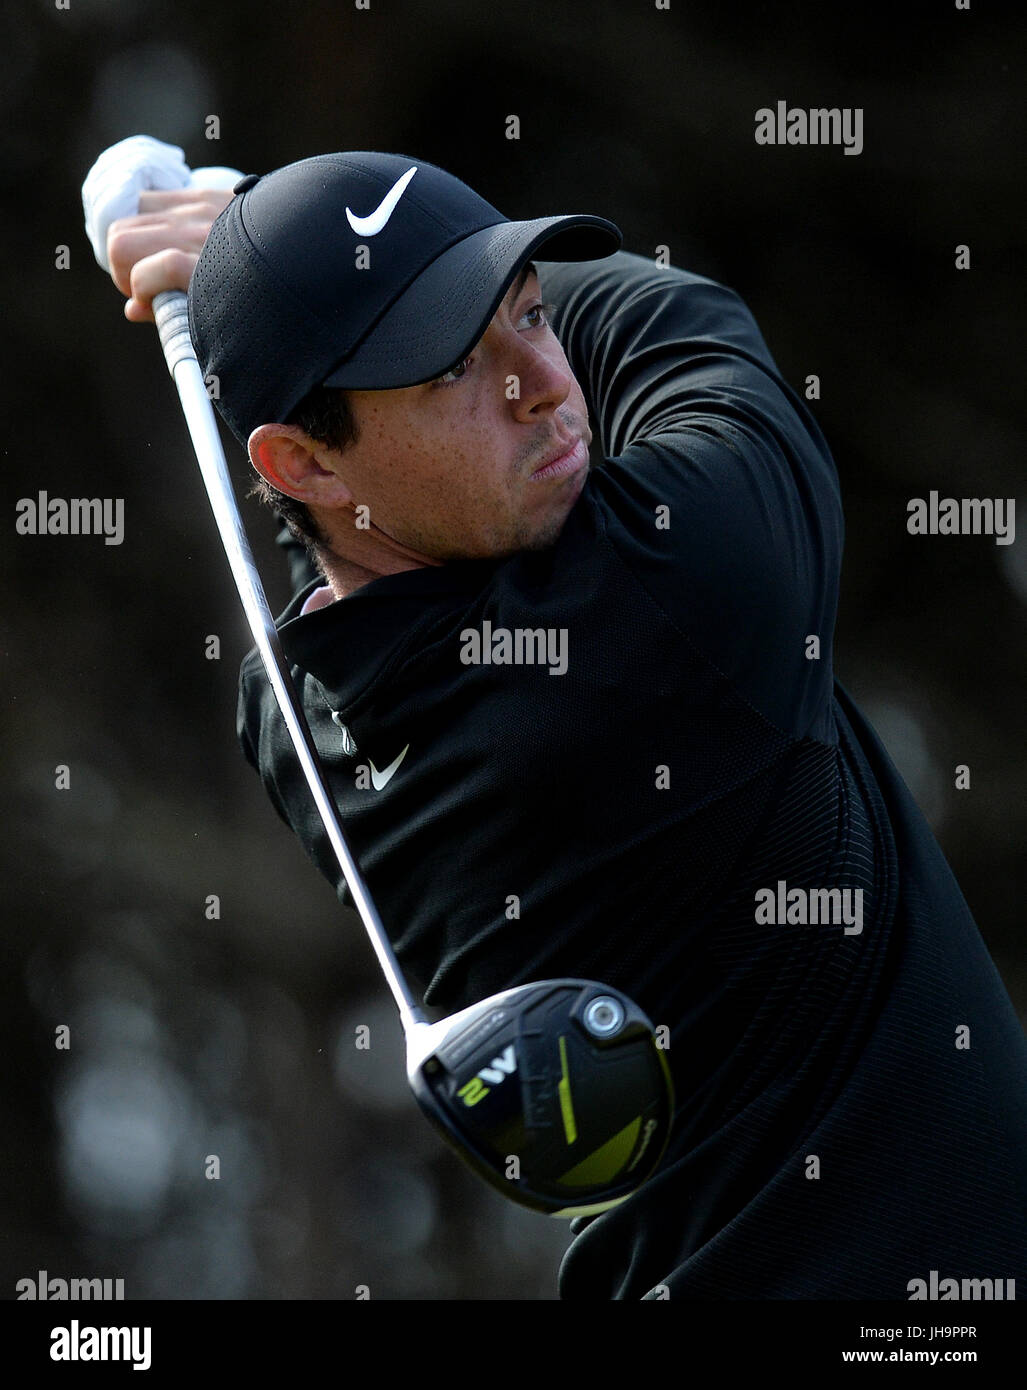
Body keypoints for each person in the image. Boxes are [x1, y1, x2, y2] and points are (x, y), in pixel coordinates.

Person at [104, 149, 1027, 1300]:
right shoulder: (684, 594)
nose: (540, 382)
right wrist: (250, 232)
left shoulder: (291, 711)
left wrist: (282, 280)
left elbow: (356, 534)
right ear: (299, 457)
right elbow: (684, 319)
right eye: (453, 365)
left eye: (532, 309)